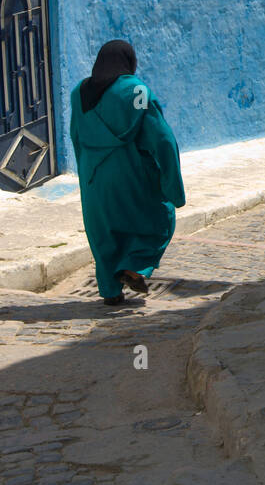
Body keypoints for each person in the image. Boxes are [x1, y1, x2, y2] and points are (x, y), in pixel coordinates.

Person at [69, 40, 186, 305]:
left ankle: (110, 291)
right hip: (132, 176)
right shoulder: (136, 91)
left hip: (94, 178)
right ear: (129, 63)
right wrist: (172, 187)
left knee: (105, 233)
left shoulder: (78, 93)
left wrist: (86, 179)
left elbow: (75, 135)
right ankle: (133, 269)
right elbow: (163, 140)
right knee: (159, 219)